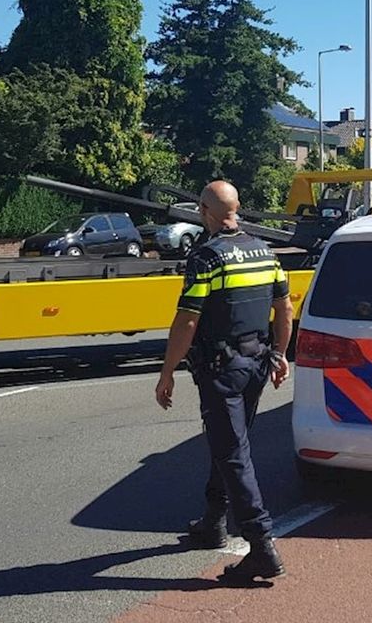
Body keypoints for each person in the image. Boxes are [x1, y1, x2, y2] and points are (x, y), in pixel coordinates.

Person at [155, 180, 293, 585]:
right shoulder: (264, 252)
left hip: (221, 368)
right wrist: (281, 354)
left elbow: (189, 319)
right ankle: (213, 522)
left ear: (204, 211)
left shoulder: (206, 257)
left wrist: (166, 372)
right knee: (228, 440)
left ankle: (261, 545)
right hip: (256, 364)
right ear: (237, 207)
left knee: (232, 451)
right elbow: (283, 306)